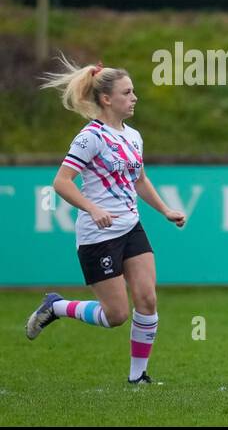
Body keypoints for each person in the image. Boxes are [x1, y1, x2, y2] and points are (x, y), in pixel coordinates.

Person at [25, 57, 188, 384]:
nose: (134, 98)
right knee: (116, 315)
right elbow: (61, 181)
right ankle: (56, 307)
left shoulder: (134, 136)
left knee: (147, 298)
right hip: (98, 237)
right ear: (106, 99)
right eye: (127, 93)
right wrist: (91, 208)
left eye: (133, 92)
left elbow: (139, 179)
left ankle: (138, 377)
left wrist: (165, 210)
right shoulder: (90, 137)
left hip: (131, 227)